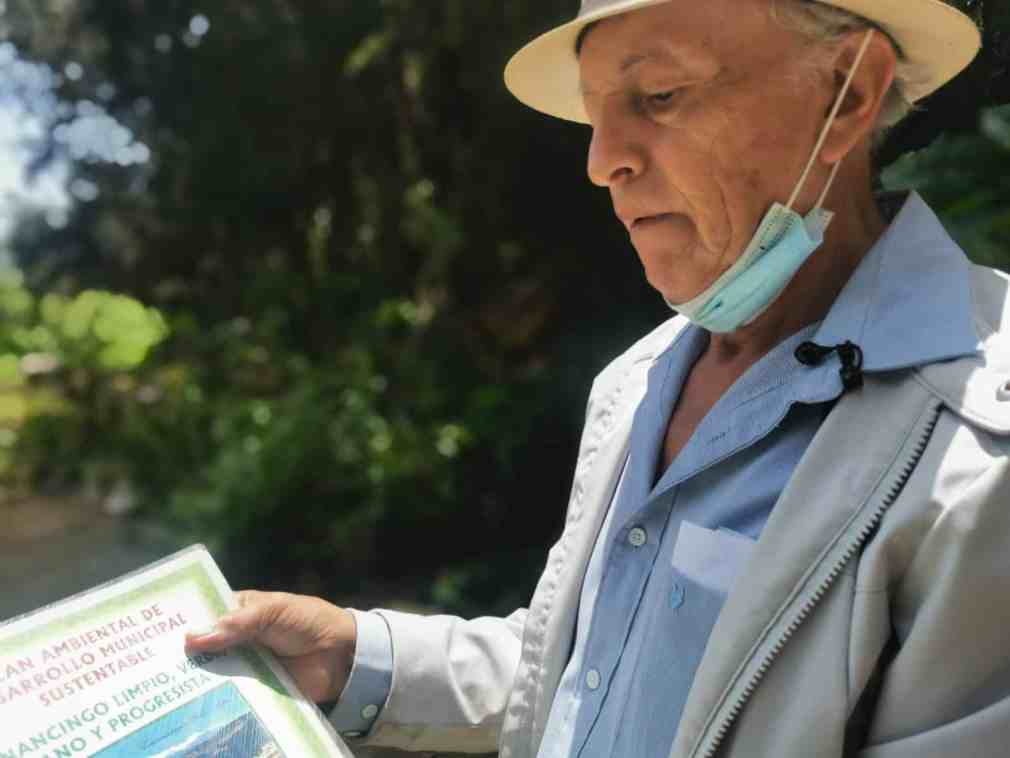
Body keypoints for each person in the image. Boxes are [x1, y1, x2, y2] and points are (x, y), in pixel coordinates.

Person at [187, 0, 1010, 756]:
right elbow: (596, 669)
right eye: (594, 115)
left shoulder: (985, 449)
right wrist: (357, 657)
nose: (602, 160)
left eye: (657, 95)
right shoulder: (645, 374)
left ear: (849, 91)